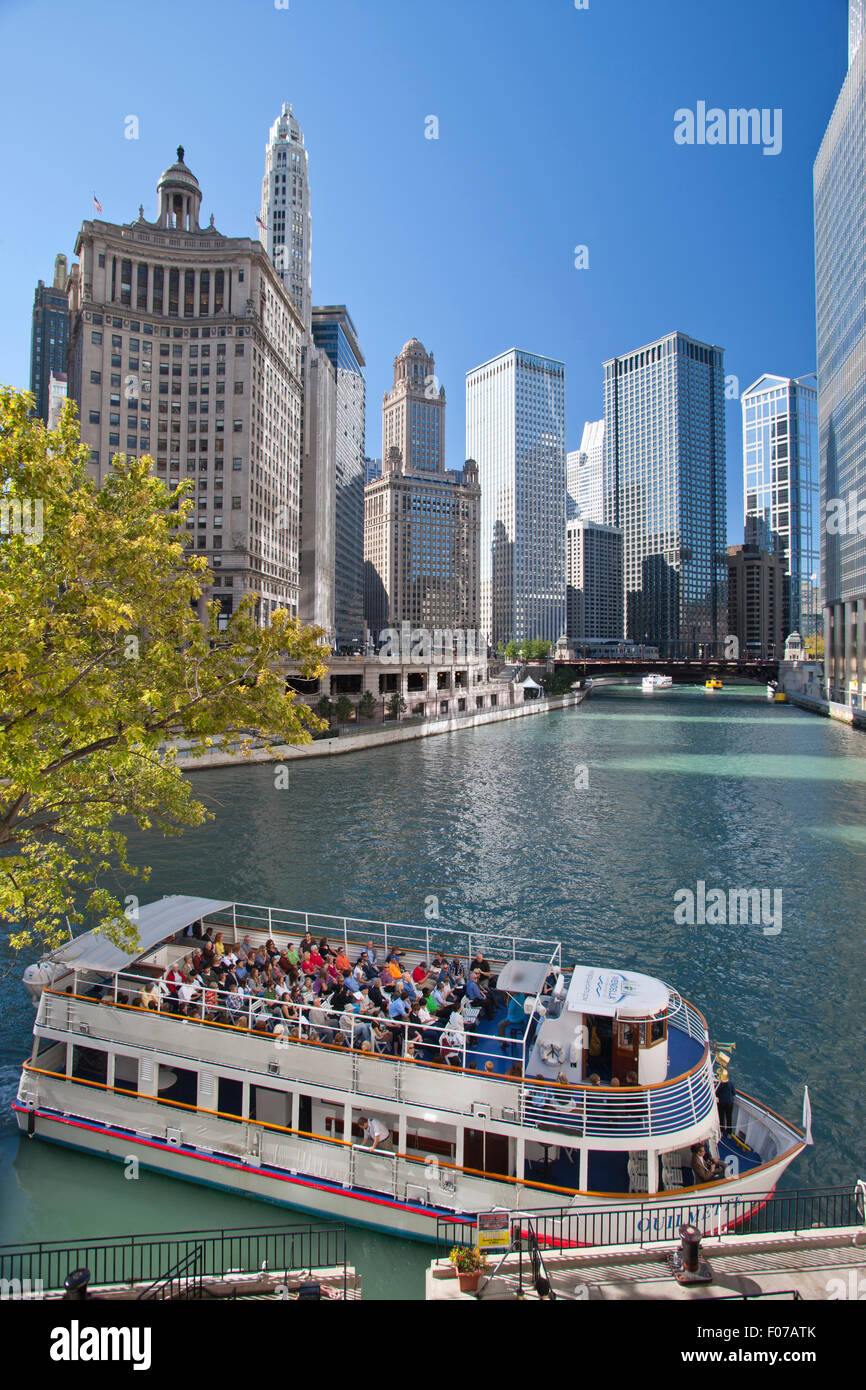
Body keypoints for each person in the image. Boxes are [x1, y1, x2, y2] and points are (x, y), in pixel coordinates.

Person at [716, 1068, 736, 1135]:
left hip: (721, 1103)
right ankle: (729, 1133)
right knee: (729, 1117)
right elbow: (734, 1093)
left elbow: (716, 1093)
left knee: (721, 1117)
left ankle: (721, 1131)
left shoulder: (720, 1084)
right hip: (730, 1103)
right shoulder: (731, 1083)